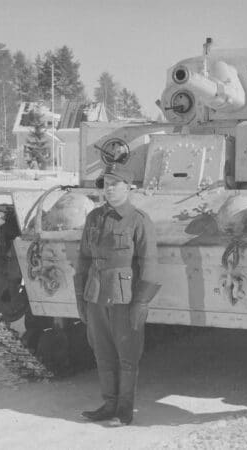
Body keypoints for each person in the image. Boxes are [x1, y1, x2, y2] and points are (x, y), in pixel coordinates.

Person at [74, 165, 160, 426]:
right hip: (96, 294)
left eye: (115, 183)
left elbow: (150, 265)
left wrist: (141, 301)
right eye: (105, 183)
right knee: (103, 353)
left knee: (127, 356)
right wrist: (81, 298)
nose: (109, 188)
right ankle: (108, 404)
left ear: (128, 187)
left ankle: (124, 410)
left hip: (124, 297)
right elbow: (84, 259)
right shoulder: (94, 218)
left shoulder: (139, 220)